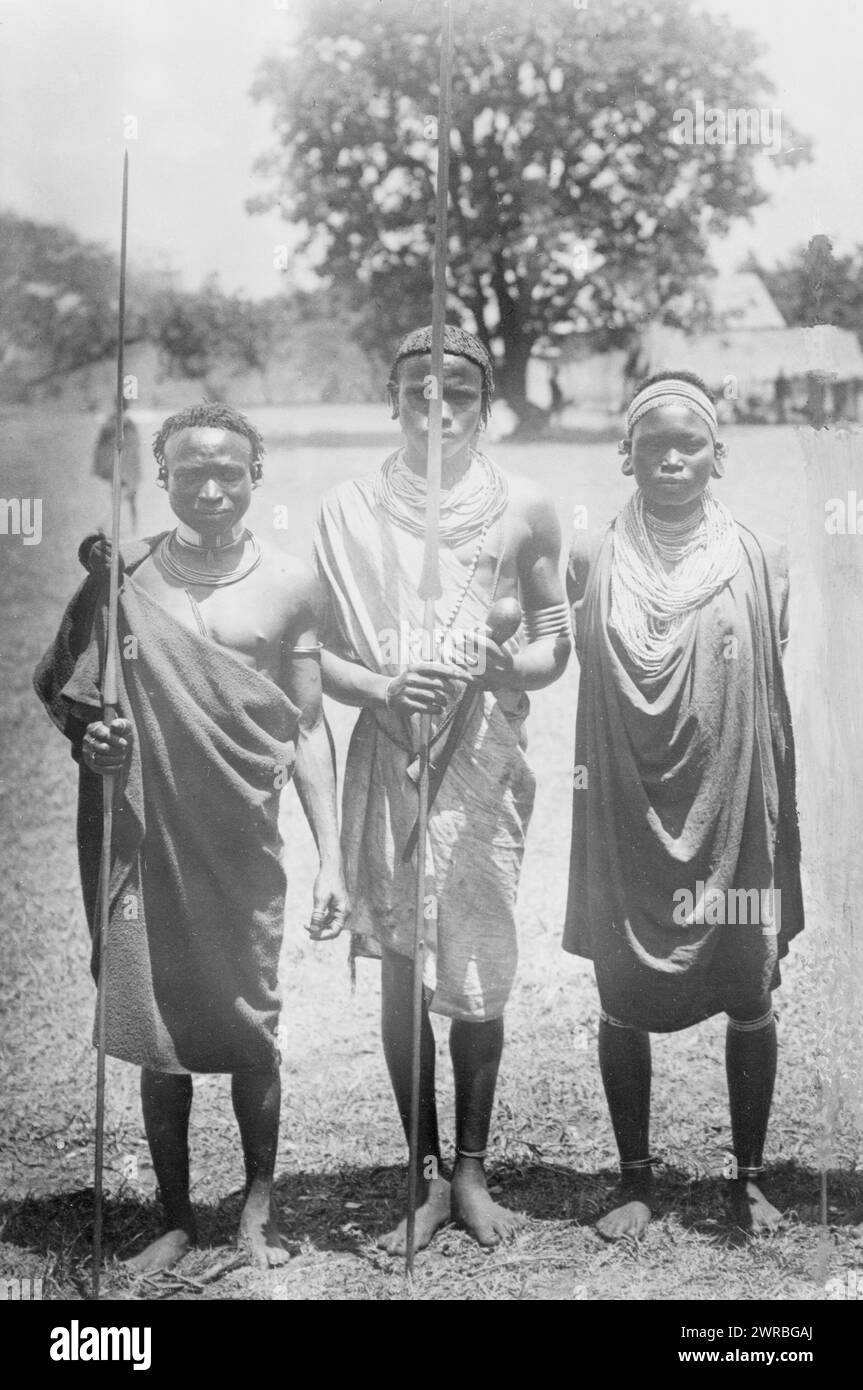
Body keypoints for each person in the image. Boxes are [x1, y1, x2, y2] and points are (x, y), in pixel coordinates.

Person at [36, 402, 349, 1273]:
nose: (211, 487)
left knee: (252, 1018)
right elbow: (74, 691)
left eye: (229, 471)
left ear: (256, 478)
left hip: (241, 836)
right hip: (145, 830)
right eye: (190, 471)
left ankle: (257, 1208)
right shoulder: (123, 576)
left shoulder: (291, 583)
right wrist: (90, 740)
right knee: (157, 1015)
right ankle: (173, 1216)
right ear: (161, 478)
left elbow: (309, 726)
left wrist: (333, 857)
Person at [314, 325, 570, 1254]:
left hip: (484, 759)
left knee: (475, 956)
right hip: (388, 757)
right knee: (401, 960)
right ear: (392, 398)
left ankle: (470, 1167)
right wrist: (383, 688)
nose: (436, 404)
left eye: (456, 389)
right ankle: (420, 1172)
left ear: (483, 402)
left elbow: (553, 635)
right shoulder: (347, 510)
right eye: (417, 387)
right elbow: (318, 655)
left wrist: (514, 666)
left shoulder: (527, 508)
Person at [564, 370, 804, 1239]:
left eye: (689, 444)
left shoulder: (761, 556)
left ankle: (747, 1176)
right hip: (625, 806)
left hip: (734, 811)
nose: (671, 459)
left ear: (718, 455)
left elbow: (761, 673)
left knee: (747, 980)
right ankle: (634, 1180)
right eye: (653, 444)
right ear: (624, 454)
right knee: (620, 987)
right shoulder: (589, 558)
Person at [92, 397, 141, 532]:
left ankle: (131, 528)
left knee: (123, 497)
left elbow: (134, 446)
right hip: (122, 467)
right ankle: (130, 527)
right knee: (125, 497)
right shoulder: (121, 423)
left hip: (123, 467)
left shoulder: (120, 422)